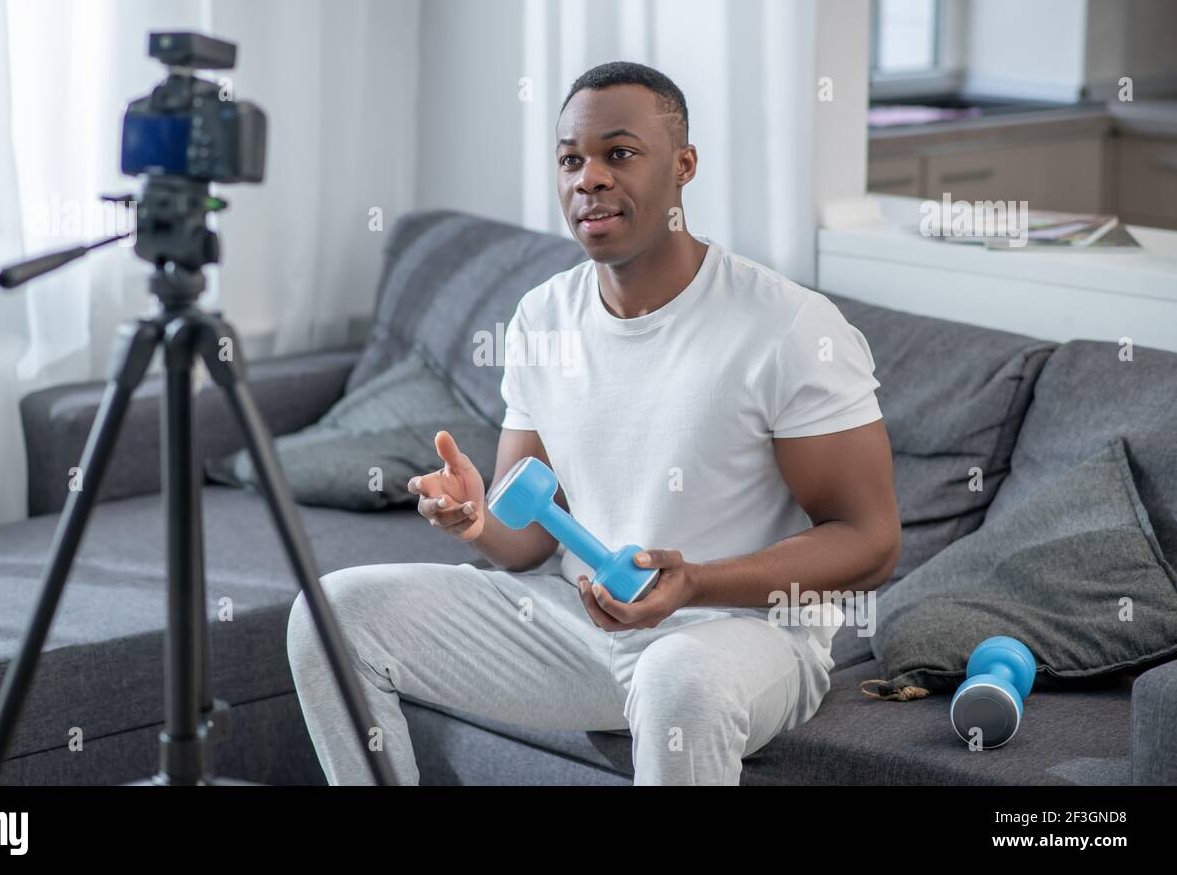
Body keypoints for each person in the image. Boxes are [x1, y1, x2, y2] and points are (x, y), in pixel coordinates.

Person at [287, 61, 900, 785]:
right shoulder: (544, 316)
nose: (590, 179)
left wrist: (695, 583)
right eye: (571, 159)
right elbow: (528, 540)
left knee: (679, 676)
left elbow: (871, 543)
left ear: (683, 167)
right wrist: (477, 521)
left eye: (620, 154)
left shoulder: (786, 327)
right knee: (330, 613)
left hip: (736, 637)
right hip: (577, 623)